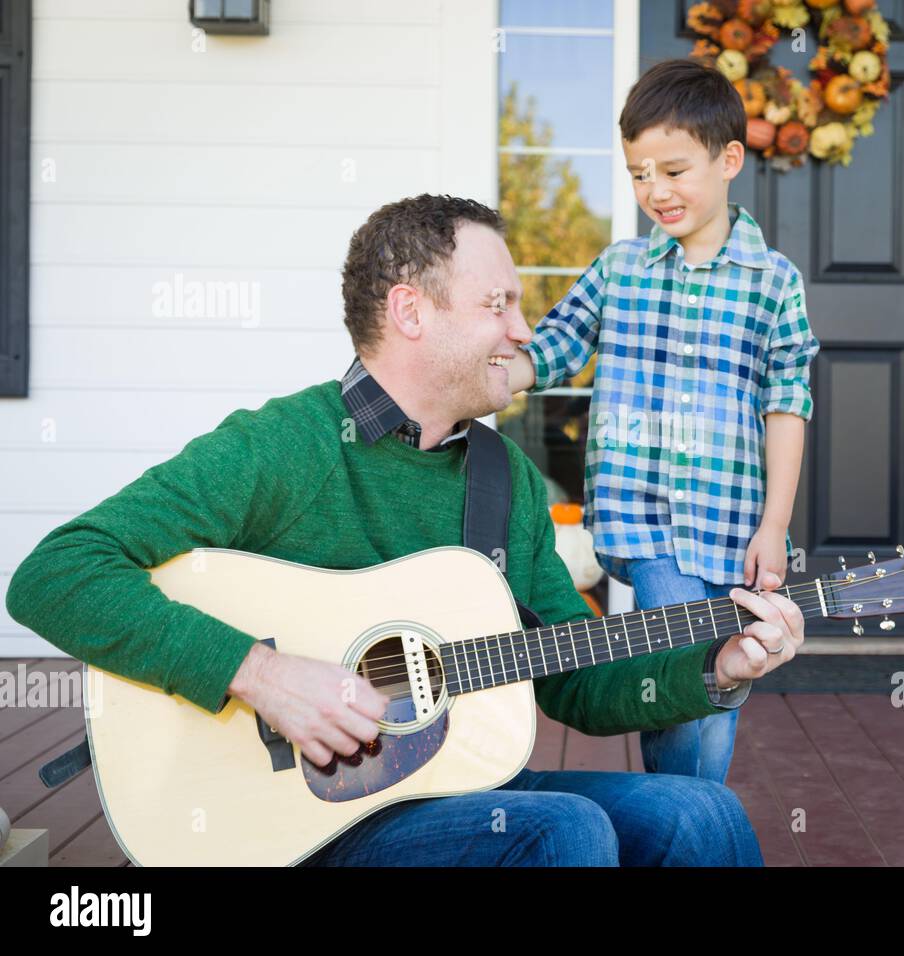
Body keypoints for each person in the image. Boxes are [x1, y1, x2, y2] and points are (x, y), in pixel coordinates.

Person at [4, 194, 807, 867]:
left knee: (702, 814)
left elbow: (572, 676)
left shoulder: (506, 481)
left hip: (458, 786)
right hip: (300, 817)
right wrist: (262, 677)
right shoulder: (284, 445)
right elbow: (56, 573)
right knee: (566, 830)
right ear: (410, 311)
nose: (526, 331)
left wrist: (720, 665)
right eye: (499, 304)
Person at [507, 60, 820, 783]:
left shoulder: (773, 282)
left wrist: (775, 525)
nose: (656, 191)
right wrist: (487, 372)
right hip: (648, 527)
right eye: (639, 174)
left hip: (735, 526)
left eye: (674, 170)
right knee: (686, 680)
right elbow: (555, 348)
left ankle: (682, 822)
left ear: (729, 159)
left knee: (717, 694)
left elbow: (786, 405)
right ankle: (687, 822)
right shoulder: (622, 270)